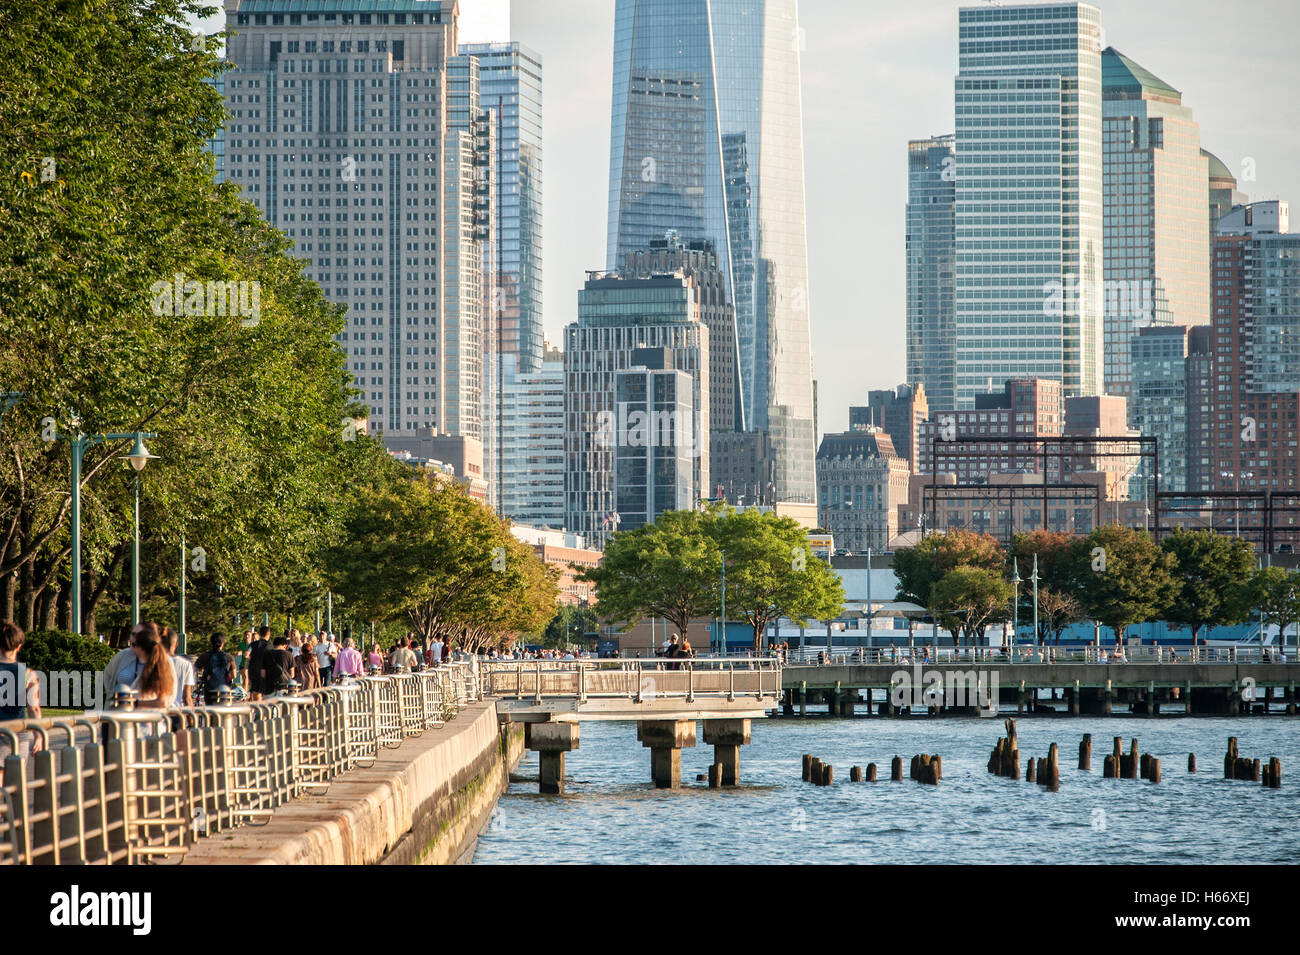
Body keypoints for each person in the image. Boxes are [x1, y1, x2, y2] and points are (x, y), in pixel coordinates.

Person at [0, 620, 41, 723]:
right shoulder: (28, 674)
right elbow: (34, 708)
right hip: (17, 733)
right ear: (19, 646)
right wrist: (39, 736)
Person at [131, 623, 176, 709]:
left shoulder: (158, 668)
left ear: (140, 648)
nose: (133, 649)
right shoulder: (156, 665)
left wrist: (134, 703)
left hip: (149, 719)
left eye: (134, 645)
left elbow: (162, 702)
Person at [196, 635, 235, 704]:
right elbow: (234, 675)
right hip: (224, 688)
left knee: (210, 710)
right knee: (223, 710)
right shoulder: (229, 657)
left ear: (211, 643)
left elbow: (195, 668)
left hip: (209, 688)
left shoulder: (205, 656)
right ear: (223, 644)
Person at [164, 627, 196, 707]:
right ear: (176, 644)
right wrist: (191, 717)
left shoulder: (154, 662)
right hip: (177, 711)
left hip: (158, 713)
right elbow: (187, 697)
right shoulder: (186, 664)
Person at [246, 626, 271, 701]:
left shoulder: (253, 644)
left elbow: (247, 654)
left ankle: (256, 710)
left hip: (253, 670)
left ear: (259, 634)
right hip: (265, 672)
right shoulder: (270, 645)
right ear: (269, 634)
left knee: (255, 693)